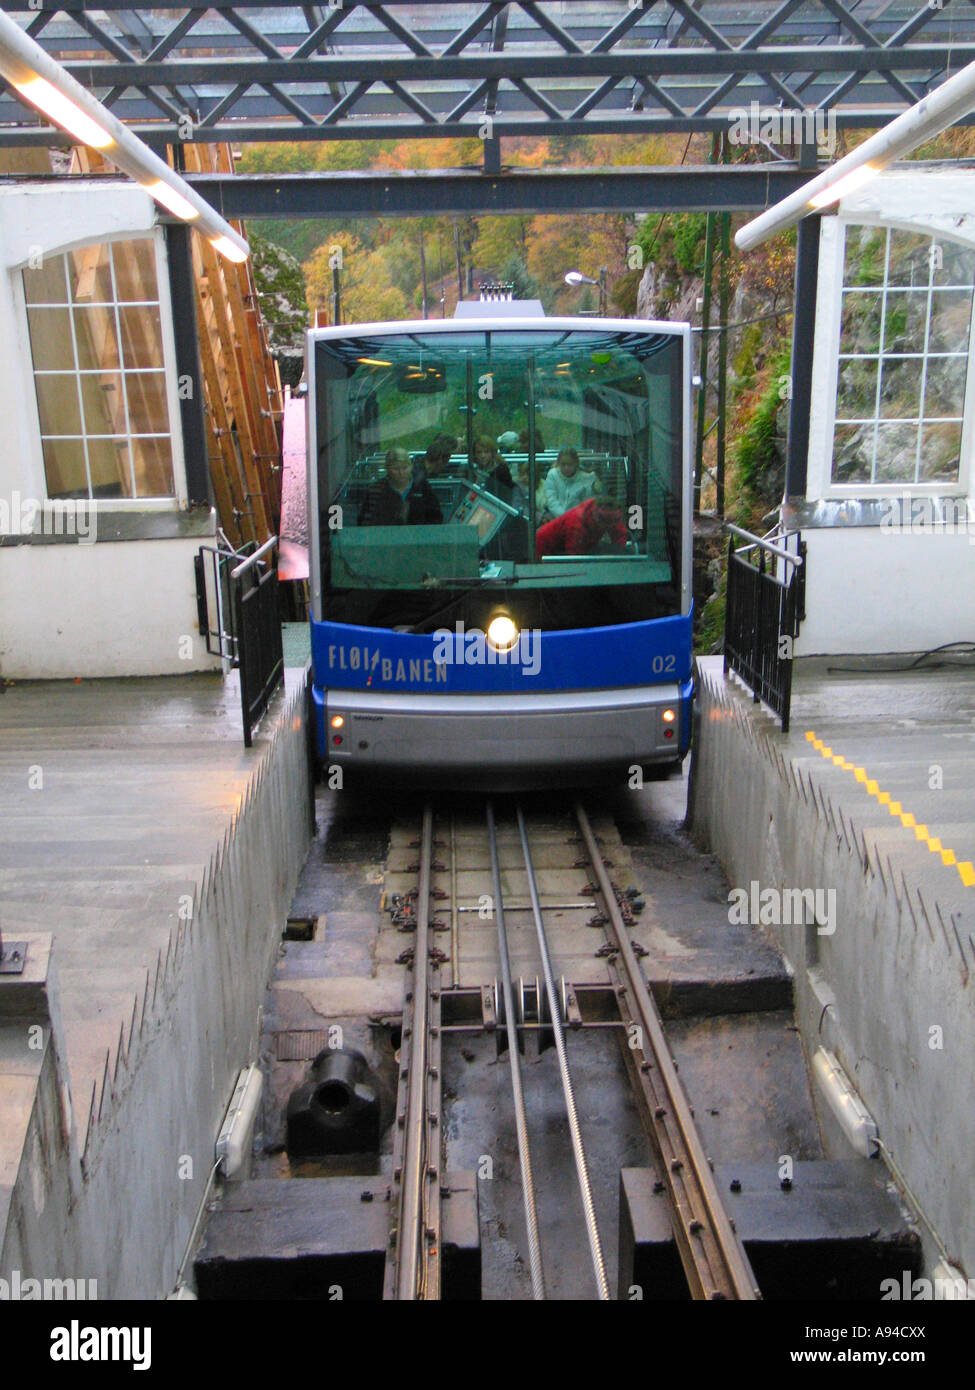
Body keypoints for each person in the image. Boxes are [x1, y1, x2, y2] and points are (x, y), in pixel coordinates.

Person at [359, 446, 442, 526]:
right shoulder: (376, 489)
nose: (401, 473)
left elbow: (436, 517)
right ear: (387, 469)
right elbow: (366, 522)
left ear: (411, 467)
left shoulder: (423, 487)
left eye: (405, 468)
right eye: (395, 469)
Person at [535, 498, 627, 559]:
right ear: (599, 520)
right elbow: (574, 558)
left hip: (571, 547)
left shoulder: (605, 513)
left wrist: (620, 556)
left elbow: (619, 534)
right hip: (544, 547)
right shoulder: (577, 524)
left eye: (616, 520)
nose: (612, 526)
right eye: (609, 523)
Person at [542, 447, 599, 518]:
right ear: (558, 463)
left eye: (570, 465)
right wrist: (564, 517)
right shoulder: (552, 475)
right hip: (555, 517)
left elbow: (586, 503)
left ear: (576, 464)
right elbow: (551, 500)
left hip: (577, 518)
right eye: (563, 464)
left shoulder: (586, 478)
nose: (566, 468)